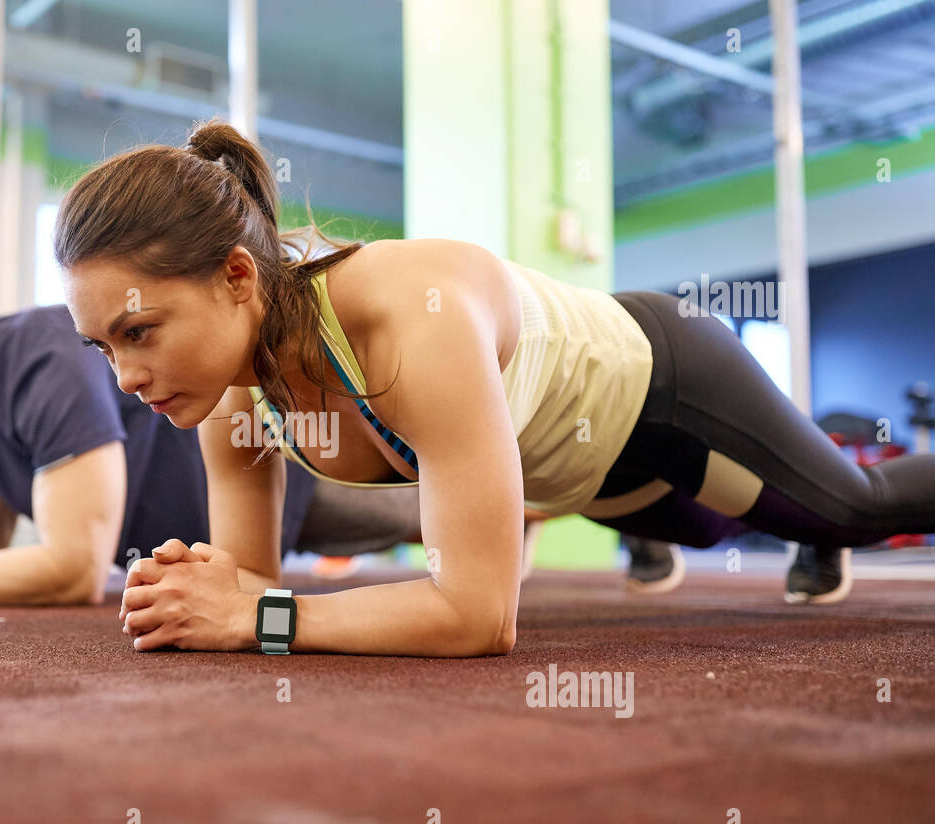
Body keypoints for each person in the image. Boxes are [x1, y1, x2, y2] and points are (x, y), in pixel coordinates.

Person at [53, 120, 935, 656]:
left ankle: (808, 494)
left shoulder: (406, 322)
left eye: (139, 332)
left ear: (238, 276)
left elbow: (477, 616)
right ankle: (725, 509)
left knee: (843, 508)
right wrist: (195, 592)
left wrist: (265, 619)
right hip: (584, 478)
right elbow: (246, 588)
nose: (125, 377)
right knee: (714, 525)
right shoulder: (230, 401)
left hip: (667, 387)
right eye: (101, 347)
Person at [0, 266, 419, 606]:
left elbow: (73, 571)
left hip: (281, 484)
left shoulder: (39, 358)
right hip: (221, 533)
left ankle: (524, 483)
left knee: (450, 508)